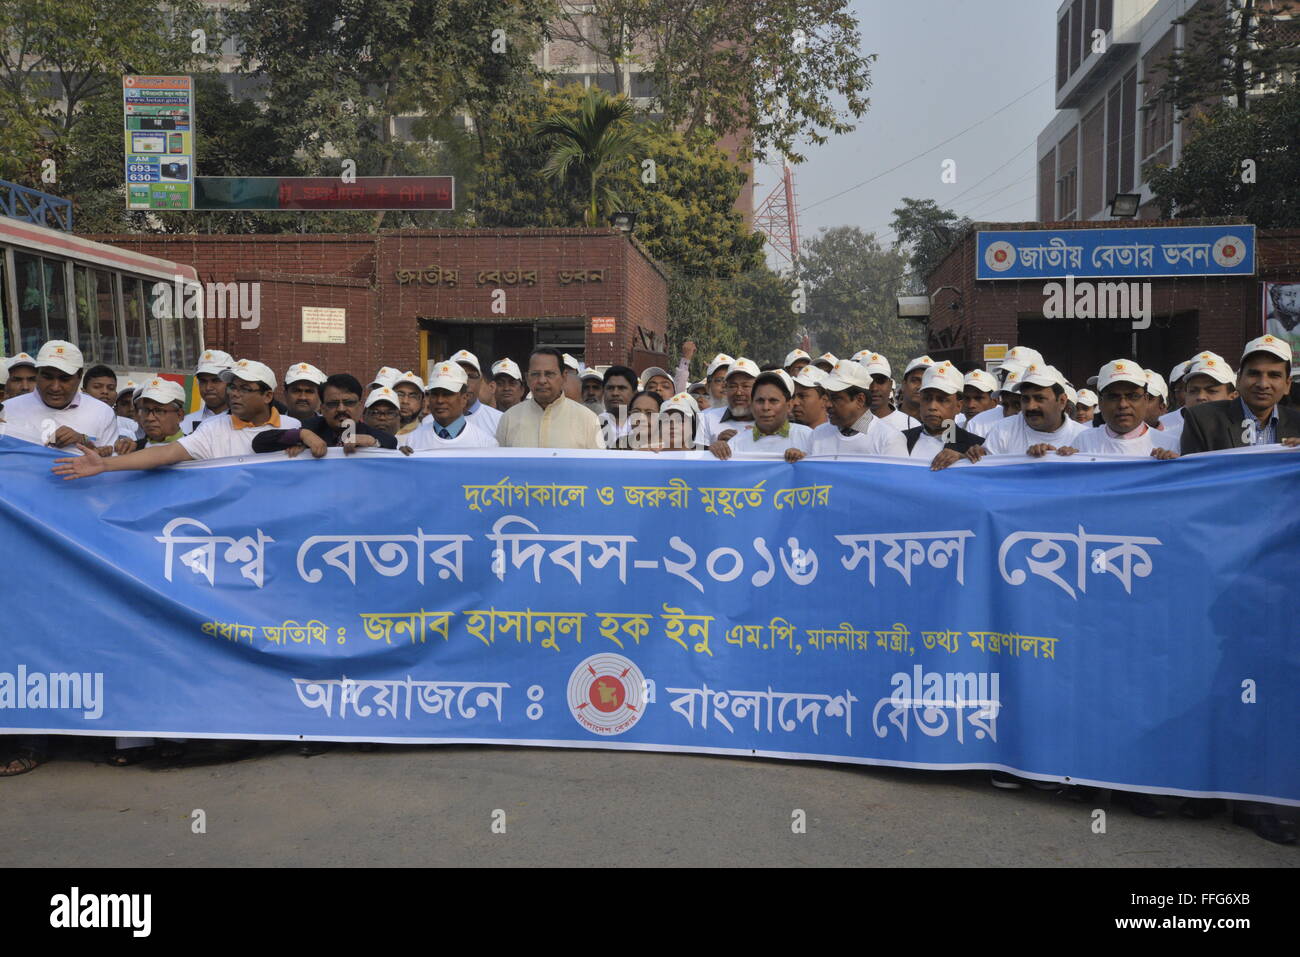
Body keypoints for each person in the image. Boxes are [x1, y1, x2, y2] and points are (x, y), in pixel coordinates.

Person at [52, 359, 301, 478]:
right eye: (233, 387)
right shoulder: (212, 429)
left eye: (244, 389)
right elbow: (164, 454)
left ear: (268, 395)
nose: (234, 394)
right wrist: (105, 465)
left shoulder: (295, 427)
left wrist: (303, 439)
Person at [1180, 335, 1300, 455]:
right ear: (1238, 380)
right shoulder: (1202, 420)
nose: (1263, 384)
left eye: (1274, 375)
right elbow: (1194, 470)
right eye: (1254, 374)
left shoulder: (1297, 424)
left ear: (1287, 384)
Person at [0, 340, 118, 452]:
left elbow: (110, 462)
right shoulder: (7, 410)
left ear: (80, 376)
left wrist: (84, 440)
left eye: (64, 379)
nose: (55, 387)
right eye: (47, 377)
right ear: (38, 374)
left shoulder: (102, 413)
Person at [1054, 360, 1179, 459]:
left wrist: (1175, 467)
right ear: (1100, 402)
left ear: (1145, 399)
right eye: (1113, 396)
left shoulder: (1169, 445)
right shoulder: (1084, 442)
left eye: (1133, 396)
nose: (1123, 404)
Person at [253, 373, 397, 456]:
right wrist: (302, 436)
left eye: (348, 402)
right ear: (322, 408)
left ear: (360, 406)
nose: (341, 409)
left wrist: (372, 442)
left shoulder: (369, 434)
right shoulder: (310, 429)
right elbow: (259, 443)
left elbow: (391, 442)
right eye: (333, 404)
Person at [495, 347, 605, 449]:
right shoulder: (509, 418)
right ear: (527, 378)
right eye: (535, 374)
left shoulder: (587, 419)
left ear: (564, 376)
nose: (542, 380)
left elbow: (598, 466)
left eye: (549, 374)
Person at [980, 363, 1085, 457]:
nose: (1031, 407)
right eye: (1025, 399)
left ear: (1062, 401)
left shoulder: (1083, 438)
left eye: (1039, 398)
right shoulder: (1002, 432)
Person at [808, 359, 907, 457]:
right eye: (827, 397)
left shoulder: (889, 439)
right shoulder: (818, 435)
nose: (828, 404)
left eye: (836, 398)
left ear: (860, 400)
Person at [710, 370, 811, 461]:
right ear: (752, 404)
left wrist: (805, 461)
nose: (766, 407)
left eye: (773, 401)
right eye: (760, 401)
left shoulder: (808, 437)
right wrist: (714, 453)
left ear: (789, 405)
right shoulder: (736, 443)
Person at [902, 362, 986, 470]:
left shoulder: (976, 447)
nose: (932, 406)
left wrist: (965, 461)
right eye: (927, 399)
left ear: (958, 406)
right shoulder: (901, 439)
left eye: (942, 400)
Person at [402, 362, 499, 452]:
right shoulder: (413, 440)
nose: (440, 400)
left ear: (464, 398)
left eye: (447, 394)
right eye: (435, 394)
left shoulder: (486, 444)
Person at [696, 357, 759, 446]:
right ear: (726, 388)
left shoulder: (771, 421)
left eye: (746, 386)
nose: (739, 392)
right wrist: (715, 447)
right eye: (733, 386)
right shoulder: (705, 419)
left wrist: (762, 440)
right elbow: (697, 457)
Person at [857, 352, 920, 431]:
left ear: (890, 385)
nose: (874, 388)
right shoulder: (846, 424)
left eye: (880, 380)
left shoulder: (911, 426)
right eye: (868, 381)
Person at [965, 360, 1028, 437]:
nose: (971, 405)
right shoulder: (975, 424)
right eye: (1005, 405)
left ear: (995, 401)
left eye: (1017, 405)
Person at [448, 350, 503, 435]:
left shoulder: (500, 421)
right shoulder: (429, 421)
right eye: (459, 375)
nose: (465, 382)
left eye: (471, 376)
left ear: (480, 381)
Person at [181, 349, 235, 434]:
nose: (208, 387)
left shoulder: (246, 423)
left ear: (230, 383)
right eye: (203, 381)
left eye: (215, 380)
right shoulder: (184, 424)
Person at [133, 377, 188, 449]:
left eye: (158, 410)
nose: (150, 418)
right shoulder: (132, 449)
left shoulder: (197, 450)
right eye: (145, 410)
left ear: (180, 415)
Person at [790, 365, 830, 430]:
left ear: (824, 400)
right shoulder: (783, 436)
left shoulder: (838, 435)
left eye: (802, 396)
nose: (795, 402)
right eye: (793, 396)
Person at [897, 355, 936, 420]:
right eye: (915, 380)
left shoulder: (940, 425)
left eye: (926, 381)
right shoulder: (884, 421)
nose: (920, 386)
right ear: (903, 384)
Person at [391, 371, 426, 438]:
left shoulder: (427, 435)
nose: (405, 401)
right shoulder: (375, 432)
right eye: (400, 394)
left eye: (413, 396)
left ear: (423, 402)